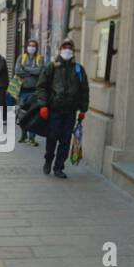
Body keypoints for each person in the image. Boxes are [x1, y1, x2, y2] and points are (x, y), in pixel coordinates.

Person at [35, 38, 88, 178]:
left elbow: (84, 90)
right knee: (52, 138)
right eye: (65, 46)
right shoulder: (52, 66)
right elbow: (41, 87)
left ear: (73, 50)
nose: (67, 49)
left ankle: (59, 167)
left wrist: (83, 109)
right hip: (54, 111)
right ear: (60, 49)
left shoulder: (78, 69)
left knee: (65, 141)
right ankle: (48, 160)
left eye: (70, 47)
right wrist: (43, 105)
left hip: (70, 112)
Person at [15, 39, 44, 145]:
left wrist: (25, 69)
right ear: (26, 47)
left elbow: (39, 71)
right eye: (30, 45)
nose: (31, 48)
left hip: (34, 91)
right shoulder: (21, 57)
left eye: (33, 46)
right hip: (22, 90)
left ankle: (32, 138)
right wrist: (32, 71)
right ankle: (23, 135)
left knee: (33, 115)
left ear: (36, 48)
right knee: (22, 114)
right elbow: (17, 71)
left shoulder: (40, 58)